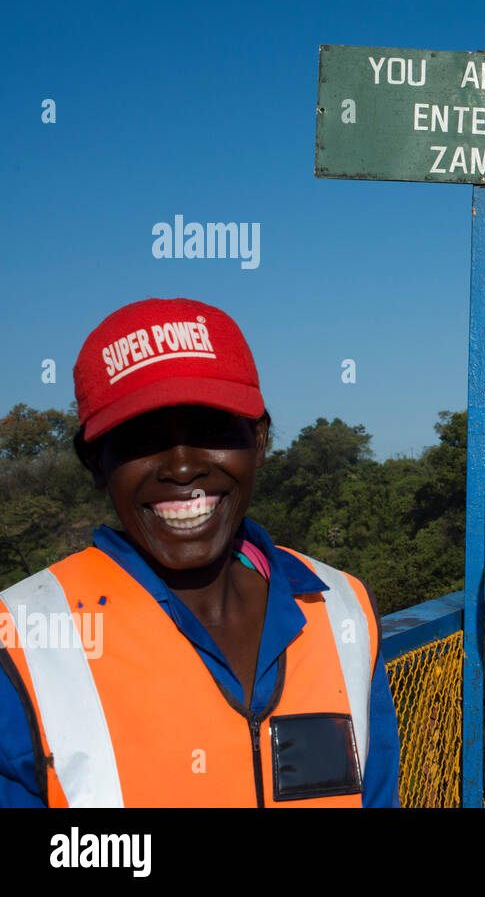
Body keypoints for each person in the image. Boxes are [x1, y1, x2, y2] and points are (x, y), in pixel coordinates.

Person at [0, 297, 401, 806]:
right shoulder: (22, 641)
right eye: (142, 437)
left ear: (258, 441)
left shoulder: (342, 607)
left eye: (210, 429)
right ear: (96, 462)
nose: (183, 467)